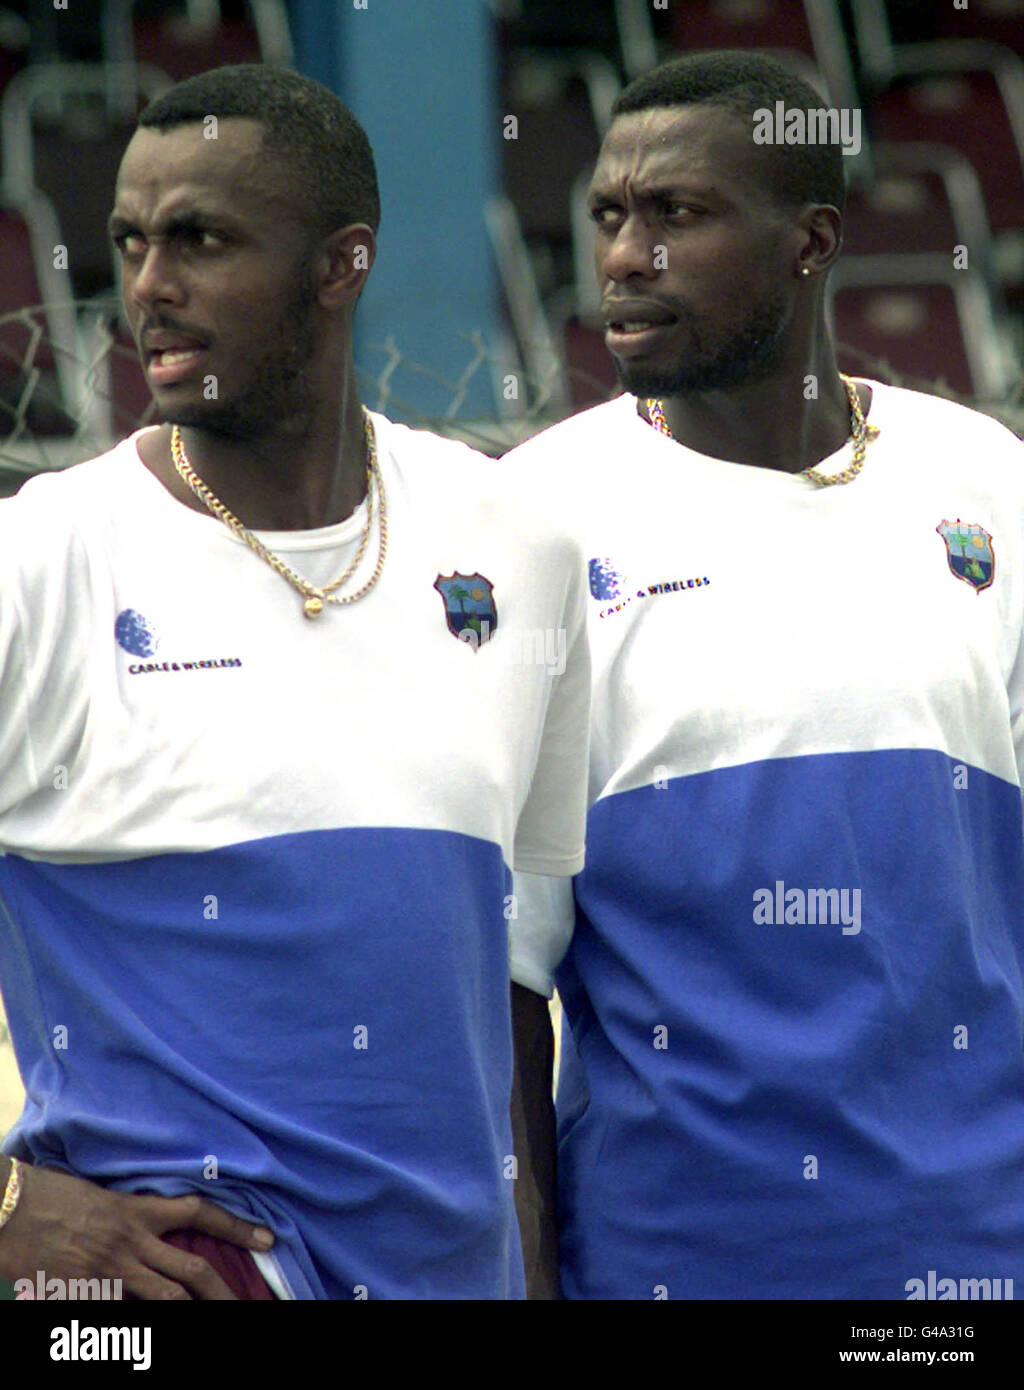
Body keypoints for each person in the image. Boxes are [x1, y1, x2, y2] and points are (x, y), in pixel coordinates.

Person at [0, 63, 590, 1301]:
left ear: (341, 265)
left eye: (199, 241)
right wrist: (11, 1203)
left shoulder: (515, 546)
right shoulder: (39, 561)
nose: (146, 289)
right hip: (171, 1278)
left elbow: (504, 989)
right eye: (129, 241)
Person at [506, 50, 1024, 1300]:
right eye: (607, 218)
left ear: (811, 242)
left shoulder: (983, 479)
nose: (622, 257)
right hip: (677, 1260)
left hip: (971, 1258)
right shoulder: (531, 524)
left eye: (674, 215)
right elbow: (504, 990)